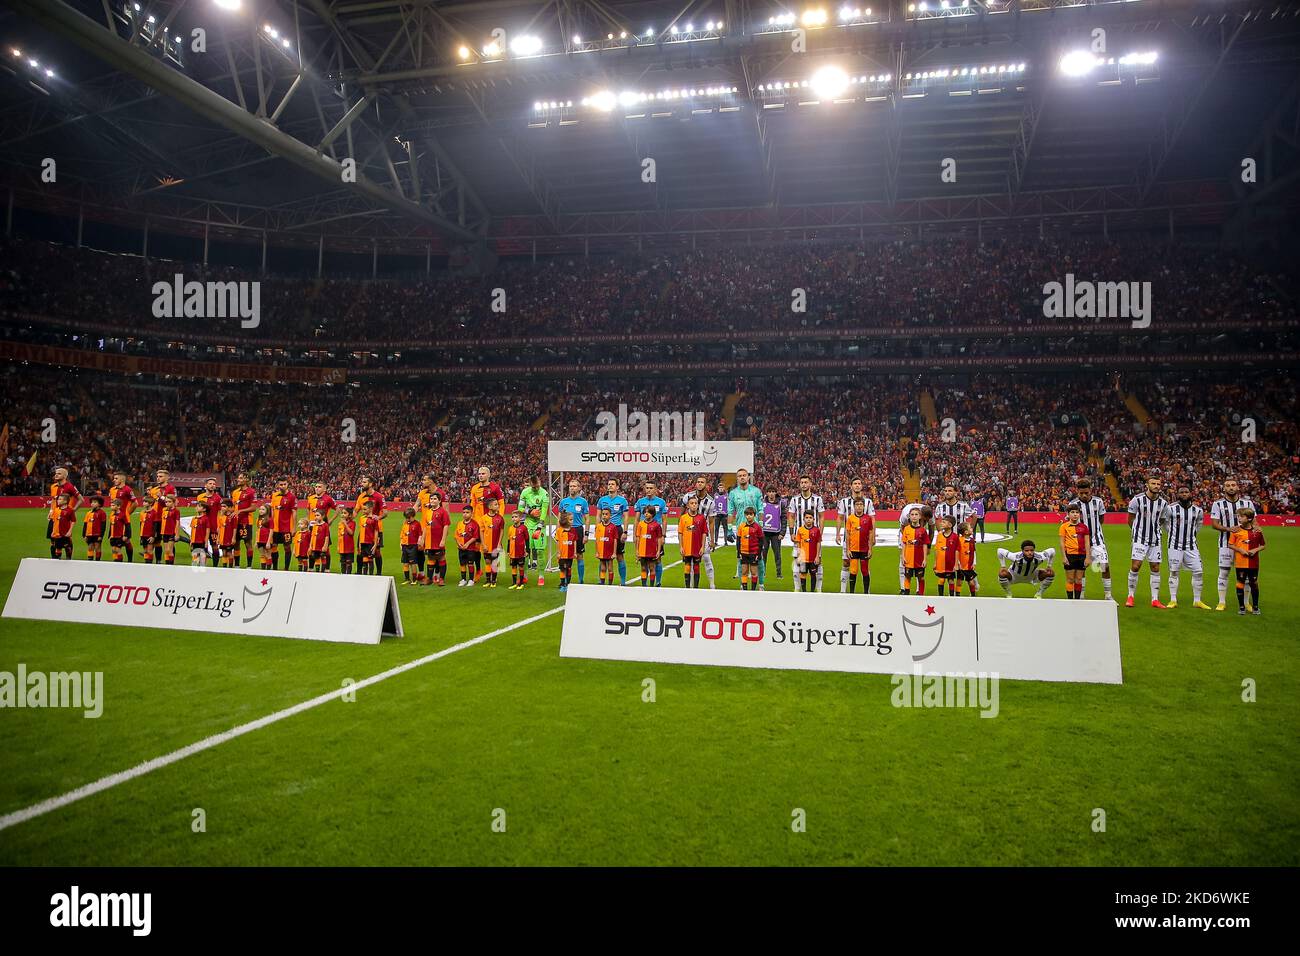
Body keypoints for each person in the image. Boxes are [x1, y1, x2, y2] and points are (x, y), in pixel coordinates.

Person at [1209, 477, 1255, 612]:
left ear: (1237, 487)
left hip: (1245, 545)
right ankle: (1221, 602)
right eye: (1228, 485)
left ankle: (1246, 603)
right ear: (1224, 488)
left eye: (1233, 485)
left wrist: (1254, 535)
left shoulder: (1247, 503)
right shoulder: (1218, 504)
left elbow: (1254, 522)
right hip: (1225, 544)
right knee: (1224, 572)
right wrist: (1229, 529)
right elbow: (1214, 524)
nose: (1231, 487)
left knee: (1246, 574)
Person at [1068, 478, 1114, 602]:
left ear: (1091, 491)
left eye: (1086, 493)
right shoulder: (1073, 504)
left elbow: (1101, 519)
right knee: (1081, 569)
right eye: (1081, 493)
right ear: (1077, 491)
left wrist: (1094, 532)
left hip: (1097, 540)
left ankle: (1108, 595)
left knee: (1104, 566)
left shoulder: (1098, 502)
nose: (1084, 495)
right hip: (1079, 542)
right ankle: (1081, 596)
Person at [1126, 475, 1168, 609]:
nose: (1156, 486)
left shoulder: (1163, 503)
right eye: (1153, 483)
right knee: (1136, 566)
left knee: (1155, 567)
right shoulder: (1137, 500)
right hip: (1139, 538)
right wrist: (1137, 532)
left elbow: (1162, 520)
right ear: (1147, 485)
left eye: (1158, 484)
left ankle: (1155, 599)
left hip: (1155, 539)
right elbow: (1130, 519)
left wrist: (1155, 530)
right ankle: (1130, 596)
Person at [1165, 485, 1209, 609]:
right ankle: (1173, 600)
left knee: (1198, 572)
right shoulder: (1170, 509)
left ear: (1190, 493)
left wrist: (1192, 535)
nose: (1184, 494)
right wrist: (1172, 534)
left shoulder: (1198, 510)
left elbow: (1199, 525)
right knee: (1174, 572)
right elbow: (1165, 523)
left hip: (1191, 546)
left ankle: (1197, 601)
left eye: (1186, 492)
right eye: (1181, 492)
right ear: (1177, 494)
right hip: (1174, 546)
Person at [787, 475, 826, 592]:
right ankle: (797, 588)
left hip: (814, 535)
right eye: (802, 482)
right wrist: (791, 532)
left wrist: (820, 532)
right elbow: (791, 516)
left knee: (817, 561)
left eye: (806, 482)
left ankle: (818, 588)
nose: (804, 484)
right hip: (800, 535)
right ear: (800, 485)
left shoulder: (817, 499)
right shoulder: (795, 500)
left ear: (810, 484)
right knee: (798, 561)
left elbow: (821, 516)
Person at [726, 469, 764, 586]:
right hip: (741, 529)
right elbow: (730, 511)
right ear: (737, 478)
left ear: (748, 477)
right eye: (739, 476)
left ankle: (761, 585)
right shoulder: (733, 493)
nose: (742, 477)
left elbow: (761, 509)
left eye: (744, 475)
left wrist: (760, 524)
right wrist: (729, 528)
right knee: (740, 557)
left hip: (755, 529)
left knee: (759, 558)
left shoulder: (756, 491)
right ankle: (742, 585)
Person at [680, 475, 719, 589]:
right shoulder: (688, 496)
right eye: (698, 482)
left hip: (702, 534)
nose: (700, 484)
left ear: (706, 485)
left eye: (702, 482)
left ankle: (712, 583)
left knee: (706, 558)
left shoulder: (710, 501)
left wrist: (712, 540)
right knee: (689, 560)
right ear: (695, 484)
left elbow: (711, 522)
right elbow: (681, 515)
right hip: (689, 533)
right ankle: (691, 586)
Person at [1227, 508, 1265, 616]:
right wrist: (1240, 550)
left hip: (1253, 563)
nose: (1239, 518)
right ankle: (1241, 607)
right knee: (1240, 583)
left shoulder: (1257, 531)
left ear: (1249, 518)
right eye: (1238, 516)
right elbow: (1230, 544)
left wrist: (1255, 550)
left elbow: (1263, 545)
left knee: (1254, 583)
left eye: (1241, 516)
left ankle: (1255, 607)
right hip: (1240, 562)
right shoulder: (1236, 531)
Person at [632, 480, 669, 586]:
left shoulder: (661, 502)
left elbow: (664, 520)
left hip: (656, 535)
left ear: (655, 489)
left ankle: (658, 582)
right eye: (647, 488)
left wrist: (663, 535)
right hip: (643, 535)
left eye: (651, 488)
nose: (648, 490)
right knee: (643, 560)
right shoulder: (640, 502)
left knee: (658, 559)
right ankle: (645, 584)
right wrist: (635, 535)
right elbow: (636, 520)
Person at [597, 478, 631, 584]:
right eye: (609, 484)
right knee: (602, 556)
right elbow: (598, 515)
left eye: (612, 484)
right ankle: (601, 580)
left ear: (617, 487)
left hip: (617, 529)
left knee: (619, 556)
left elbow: (626, 517)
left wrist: (625, 532)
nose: (610, 486)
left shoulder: (622, 501)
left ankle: (623, 581)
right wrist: (598, 528)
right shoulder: (602, 500)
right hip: (604, 530)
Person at [558, 479, 591, 585]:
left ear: (579, 488)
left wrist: (586, 534)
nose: (572, 488)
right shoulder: (563, 502)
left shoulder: (583, 502)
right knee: (565, 556)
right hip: (565, 531)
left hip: (577, 530)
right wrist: (558, 531)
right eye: (570, 486)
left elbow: (587, 519)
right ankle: (565, 581)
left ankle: (581, 580)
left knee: (579, 555)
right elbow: (560, 518)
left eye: (574, 486)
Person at [1058, 504, 1091, 600]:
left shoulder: (1084, 527)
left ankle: (1077, 600)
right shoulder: (1064, 527)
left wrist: (1088, 557)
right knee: (1070, 579)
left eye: (1077, 512)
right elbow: (1062, 543)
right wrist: (1064, 557)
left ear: (1079, 514)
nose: (1075, 514)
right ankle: (1069, 600)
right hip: (1070, 555)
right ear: (1068, 514)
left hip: (1081, 556)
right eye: (1072, 512)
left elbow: (1087, 543)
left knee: (1079, 579)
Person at [519, 476, 551, 572]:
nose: (536, 488)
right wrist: (530, 512)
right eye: (534, 487)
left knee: (540, 550)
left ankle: (540, 574)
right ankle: (525, 572)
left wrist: (540, 526)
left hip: (539, 524)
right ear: (530, 485)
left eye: (537, 486)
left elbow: (544, 511)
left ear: (539, 482)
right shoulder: (525, 492)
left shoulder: (544, 494)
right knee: (527, 547)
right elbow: (520, 508)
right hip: (528, 524)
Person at [843, 497, 875, 594]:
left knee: (865, 571)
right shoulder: (850, 518)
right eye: (857, 505)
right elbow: (847, 534)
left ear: (864, 506)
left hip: (864, 549)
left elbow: (870, 533)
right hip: (853, 549)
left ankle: (866, 593)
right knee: (853, 570)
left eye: (861, 504)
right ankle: (852, 593)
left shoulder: (868, 519)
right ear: (854, 506)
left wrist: (870, 549)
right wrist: (848, 549)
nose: (859, 506)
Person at [46, 467, 80, 557]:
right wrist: (51, 510)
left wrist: (72, 511)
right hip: (54, 516)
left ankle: (69, 559)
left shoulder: (70, 486)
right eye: (56, 473)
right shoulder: (53, 486)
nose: (56, 475)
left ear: (65, 476)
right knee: (53, 539)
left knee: (66, 539)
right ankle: (55, 559)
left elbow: (81, 499)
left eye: (59, 473)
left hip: (64, 516)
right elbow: (53, 500)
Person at [678, 494, 710, 588]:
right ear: (688, 505)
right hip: (686, 547)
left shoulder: (702, 518)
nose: (694, 505)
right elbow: (680, 533)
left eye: (695, 503)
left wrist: (702, 547)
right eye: (692, 503)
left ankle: (696, 587)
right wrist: (681, 546)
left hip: (697, 547)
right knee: (687, 565)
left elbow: (704, 533)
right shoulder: (683, 518)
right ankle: (687, 587)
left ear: (698, 505)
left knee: (696, 566)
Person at [899, 507, 930, 595]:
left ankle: (920, 593)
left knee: (921, 578)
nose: (914, 516)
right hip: (908, 559)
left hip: (919, 559)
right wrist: (903, 556)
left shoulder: (923, 530)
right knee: (907, 577)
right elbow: (904, 543)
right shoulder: (906, 529)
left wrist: (925, 559)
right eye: (912, 514)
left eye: (916, 514)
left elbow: (925, 545)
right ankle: (907, 593)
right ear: (909, 516)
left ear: (920, 516)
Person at [307, 482, 338, 570]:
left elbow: (337, 509)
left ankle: (326, 569)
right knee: (312, 547)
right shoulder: (310, 498)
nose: (317, 488)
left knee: (325, 549)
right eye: (316, 487)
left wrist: (331, 520)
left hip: (322, 527)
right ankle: (311, 568)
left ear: (324, 489)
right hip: (312, 526)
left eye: (319, 487)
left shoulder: (328, 499)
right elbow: (308, 509)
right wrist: (308, 520)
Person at [422, 492, 451, 586]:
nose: (432, 500)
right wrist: (422, 539)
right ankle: (429, 579)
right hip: (429, 540)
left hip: (438, 540)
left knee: (441, 558)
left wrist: (443, 540)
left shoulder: (443, 512)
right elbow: (425, 527)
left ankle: (441, 579)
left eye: (435, 499)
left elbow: (446, 526)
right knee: (430, 558)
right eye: (431, 499)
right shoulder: (428, 512)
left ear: (439, 501)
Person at [107, 471, 136, 562]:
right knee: (114, 539)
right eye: (114, 478)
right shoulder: (112, 490)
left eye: (116, 478)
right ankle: (116, 561)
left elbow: (135, 503)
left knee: (126, 540)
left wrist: (127, 513)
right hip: (113, 518)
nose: (114, 480)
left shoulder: (128, 489)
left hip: (123, 518)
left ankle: (130, 560)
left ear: (122, 479)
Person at [230, 472, 257, 568]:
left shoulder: (251, 492)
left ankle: (249, 566)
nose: (238, 479)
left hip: (246, 521)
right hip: (235, 522)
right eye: (239, 478)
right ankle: (237, 565)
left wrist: (240, 511)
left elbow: (254, 507)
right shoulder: (235, 492)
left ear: (246, 479)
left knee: (247, 543)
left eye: (241, 478)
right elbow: (233, 506)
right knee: (236, 543)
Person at [269, 479, 297, 571]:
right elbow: (272, 509)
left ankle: (286, 568)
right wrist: (271, 523)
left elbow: (294, 512)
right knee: (274, 546)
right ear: (278, 485)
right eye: (281, 484)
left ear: (287, 484)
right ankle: (275, 568)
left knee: (287, 547)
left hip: (286, 528)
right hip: (275, 527)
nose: (283, 486)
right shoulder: (274, 495)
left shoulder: (292, 497)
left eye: (284, 484)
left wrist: (294, 527)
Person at [478, 498, 506, 588]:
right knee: (487, 561)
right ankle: (487, 580)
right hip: (486, 545)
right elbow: (481, 532)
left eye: (497, 504)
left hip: (495, 545)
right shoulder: (483, 518)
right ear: (490, 507)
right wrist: (483, 544)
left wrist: (499, 543)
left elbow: (501, 531)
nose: (498, 506)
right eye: (495, 504)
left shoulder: (500, 518)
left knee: (495, 563)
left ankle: (493, 581)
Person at [793, 510, 823, 593]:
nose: (808, 519)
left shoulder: (816, 530)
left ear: (814, 519)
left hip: (813, 558)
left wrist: (817, 556)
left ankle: (812, 591)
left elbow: (818, 543)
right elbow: (798, 543)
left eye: (810, 518)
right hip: (803, 558)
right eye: (806, 518)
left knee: (813, 574)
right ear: (803, 519)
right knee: (803, 574)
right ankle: (804, 591)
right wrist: (799, 555)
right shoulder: (800, 530)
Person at [633, 505, 663, 587]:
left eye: (648, 512)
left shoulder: (656, 525)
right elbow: (638, 538)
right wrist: (637, 550)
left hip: (652, 551)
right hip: (642, 551)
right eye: (645, 512)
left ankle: (651, 586)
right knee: (643, 568)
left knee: (652, 567)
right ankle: (644, 585)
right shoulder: (640, 524)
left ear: (653, 514)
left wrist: (658, 551)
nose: (646, 514)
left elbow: (659, 539)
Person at [761, 488, 785, 582]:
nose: (771, 493)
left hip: (776, 534)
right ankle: (762, 573)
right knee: (763, 554)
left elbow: (783, 518)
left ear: (775, 493)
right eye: (769, 492)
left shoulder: (780, 504)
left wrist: (782, 532)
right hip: (764, 533)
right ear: (767, 493)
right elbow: (758, 516)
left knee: (777, 555)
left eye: (773, 491)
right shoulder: (762, 503)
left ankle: (779, 574)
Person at [737, 506, 763, 590]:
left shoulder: (757, 527)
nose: (749, 516)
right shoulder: (741, 526)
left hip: (753, 553)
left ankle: (753, 590)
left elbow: (761, 541)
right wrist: (738, 552)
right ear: (745, 515)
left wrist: (759, 554)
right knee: (744, 572)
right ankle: (745, 590)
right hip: (744, 552)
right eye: (747, 514)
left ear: (754, 515)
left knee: (754, 572)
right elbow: (738, 540)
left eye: (751, 514)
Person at [932, 515, 960, 596]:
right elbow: (937, 550)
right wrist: (935, 563)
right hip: (941, 564)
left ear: (950, 525)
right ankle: (940, 596)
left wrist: (956, 564)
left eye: (944, 522)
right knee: (941, 580)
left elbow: (957, 550)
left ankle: (951, 596)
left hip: (950, 563)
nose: (941, 523)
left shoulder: (955, 537)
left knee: (951, 580)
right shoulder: (939, 535)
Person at [593, 507, 621, 585]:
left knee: (610, 568)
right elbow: (597, 540)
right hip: (601, 551)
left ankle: (610, 584)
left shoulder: (613, 527)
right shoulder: (599, 526)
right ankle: (602, 583)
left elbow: (615, 540)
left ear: (610, 516)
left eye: (606, 514)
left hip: (610, 551)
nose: (604, 516)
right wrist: (597, 552)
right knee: (602, 568)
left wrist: (614, 553)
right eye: (603, 514)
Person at [455, 506, 482, 587]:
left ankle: (471, 580)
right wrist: (458, 543)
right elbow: (456, 535)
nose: (465, 514)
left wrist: (467, 544)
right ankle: (463, 579)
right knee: (462, 564)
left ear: (471, 513)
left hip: (470, 548)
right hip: (461, 548)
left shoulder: (474, 524)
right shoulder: (459, 523)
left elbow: (475, 536)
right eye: (463, 512)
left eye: (467, 512)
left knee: (470, 563)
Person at [555, 511, 579, 592]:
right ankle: (562, 584)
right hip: (562, 554)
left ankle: (568, 584)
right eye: (570, 520)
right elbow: (558, 542)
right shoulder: (559, 530)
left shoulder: (573, 530)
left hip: (570, 555)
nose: (572, 521)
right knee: (562, 569)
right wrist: (558, 552)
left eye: (572, 519)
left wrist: (575, 552)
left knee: (569, 568)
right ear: (565, 520)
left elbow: (575, 541)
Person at [507, 510, 531, 589]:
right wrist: (508, 551)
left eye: (516, 517)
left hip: (521, 552)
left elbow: (527, 539)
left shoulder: (523, 528)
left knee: (521, 567)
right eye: (512, 517)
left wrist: (527, 550)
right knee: (513, 567)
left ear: (520, 518)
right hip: (512, 552)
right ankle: (514, 583)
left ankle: (521, 583)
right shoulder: (510, 528)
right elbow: (509, 540)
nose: (514, 518)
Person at [400, 508, 424, 585]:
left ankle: (414, 579)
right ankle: (407, 579)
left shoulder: (417, 524)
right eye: (406, 518)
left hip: (413, 546)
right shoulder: (405, 523)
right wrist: (401, 543)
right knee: (405, 563)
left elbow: (420, 534)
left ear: (413, 516)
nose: (407, 519)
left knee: (413, 563)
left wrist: (419, 543)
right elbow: (402, 534)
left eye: (408, 517)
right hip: (405, 546)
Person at [955, 521, 979, 596]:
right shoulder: (959, 540)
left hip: (969, 566)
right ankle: (957, 595)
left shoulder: (972, 540)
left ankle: (973, 595)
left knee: (971, 582)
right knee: (959, 582)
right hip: (961, 566)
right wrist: (958, 563)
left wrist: (974, 563)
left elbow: (974, 552)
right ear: (966, 532)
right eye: (970, 528)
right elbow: (957, 552)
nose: (972, 529)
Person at [158, 494, 181, 565]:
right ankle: (167, 564)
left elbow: (177, 523)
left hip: (171, 533)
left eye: (169, 502)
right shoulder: (164, 510)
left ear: (173, 502)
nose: (167, 503)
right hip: (164, 532)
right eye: (166, 502)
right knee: (166, 551)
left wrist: (177, 534)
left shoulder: (176, 511)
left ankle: (171, 565)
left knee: (169, 550)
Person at [81, 496, 106, 561]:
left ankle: (97, 561)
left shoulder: (102, 513)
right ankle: (90, 560)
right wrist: (84, 535)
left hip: (97, 534)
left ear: (99, 504)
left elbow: (103, 525)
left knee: (97, 547)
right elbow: (85, 524)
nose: (92, 503)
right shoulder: (88, 513)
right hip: (89, 534)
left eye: (95, 502)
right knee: (90, 547)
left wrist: (101, 535)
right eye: (92, 502)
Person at [216, 500, 239, 568]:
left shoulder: (233, 517)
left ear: (229, 508)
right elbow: (219, 528)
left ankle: (230, 567)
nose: (222, 508)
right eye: (221, 506)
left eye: (224, 506)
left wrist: (233, 538)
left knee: (229, 553)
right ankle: (224, 567)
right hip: (222, 538)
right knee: (224, 553)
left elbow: (235, 528)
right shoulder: (221, 517)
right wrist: (218, 538)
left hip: (229, 538)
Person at [107, 498, 129, 563]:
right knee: (113, 550)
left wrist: (125, 535)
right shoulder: (112, 515)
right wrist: (109, 535)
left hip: (119, 536)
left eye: (113, 505)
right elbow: (111, 526)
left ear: (118, 506)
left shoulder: (122, 515)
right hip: (113, 536)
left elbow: (127, 525)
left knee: (118, 550)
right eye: (111, 505)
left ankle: (119, 562)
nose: (111, 507)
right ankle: (115, 561)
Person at [337, 507, 357, 575]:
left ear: (350, 515)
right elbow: (339, 536)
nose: (343, 514)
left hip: (349, 548)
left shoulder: (352, 523)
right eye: (342, 513)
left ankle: (348, 575)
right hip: (342, 547)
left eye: (345, 513)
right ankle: (343, 575)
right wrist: (338, 546)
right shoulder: (340, 524)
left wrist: (345, 524)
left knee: (348, 563)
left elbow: (351, 533)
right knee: (343, 563)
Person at [255, 504, 273, 570]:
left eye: (263, 509)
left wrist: (268, 542)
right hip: (259, 540)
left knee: (268, 554)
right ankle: (263, 569)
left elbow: (271, 531)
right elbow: (257, 530)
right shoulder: (258, 519)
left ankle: (268, 569)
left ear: (267, 511)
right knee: (262, 554)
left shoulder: (270, 520)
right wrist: (256, 541)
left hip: (266, 540)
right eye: (260, 509)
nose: (261, 511)